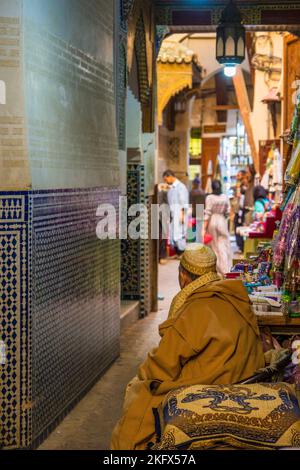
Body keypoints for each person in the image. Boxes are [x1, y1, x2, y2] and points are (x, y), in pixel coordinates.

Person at [111, 244, 265, 450]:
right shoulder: (235, 297)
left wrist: (142, 378)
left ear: (183, 275)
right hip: (243, 379)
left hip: (212, 387)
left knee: (137, 409)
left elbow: (161, 365)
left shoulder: (195, 310)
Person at [204, 180, 232, 275]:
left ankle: (218, 269)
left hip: (212, 221)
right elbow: (228, 212)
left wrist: (203, 228)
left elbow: (207, 213)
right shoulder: (225, 197)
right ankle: (226, 268)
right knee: (224, 245)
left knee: (214, 246)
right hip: (222, 221)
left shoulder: (209, 197)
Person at [163, 170, 189, 257]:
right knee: (173, 234)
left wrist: (182, 214)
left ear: (170, 176)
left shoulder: (181, 187)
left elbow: (183, 202)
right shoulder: (171, 188)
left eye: (166, 179)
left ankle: (182, 253)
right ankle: (178, 253)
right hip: (173, 213)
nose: (166, 181)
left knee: (179, 233)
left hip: (179, 213)